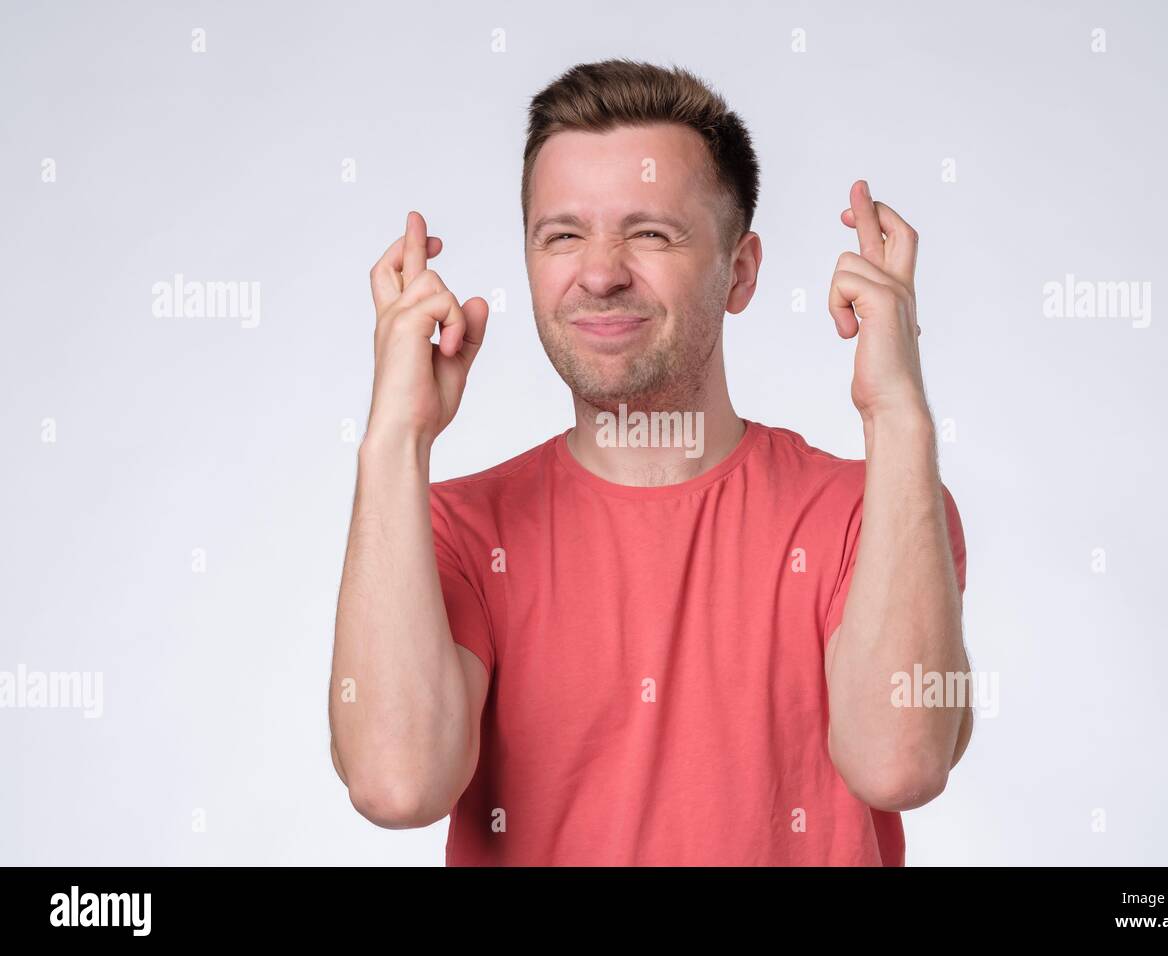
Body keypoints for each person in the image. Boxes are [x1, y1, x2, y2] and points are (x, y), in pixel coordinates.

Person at [329, 58, 972, 866]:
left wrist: (899, 416)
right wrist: (395, 438)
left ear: (739, 272)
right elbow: (396, 786)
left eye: (649, 233)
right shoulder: (450, 532)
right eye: (562, 235)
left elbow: (899, 763)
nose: (599, 274)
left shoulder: (870, 513)